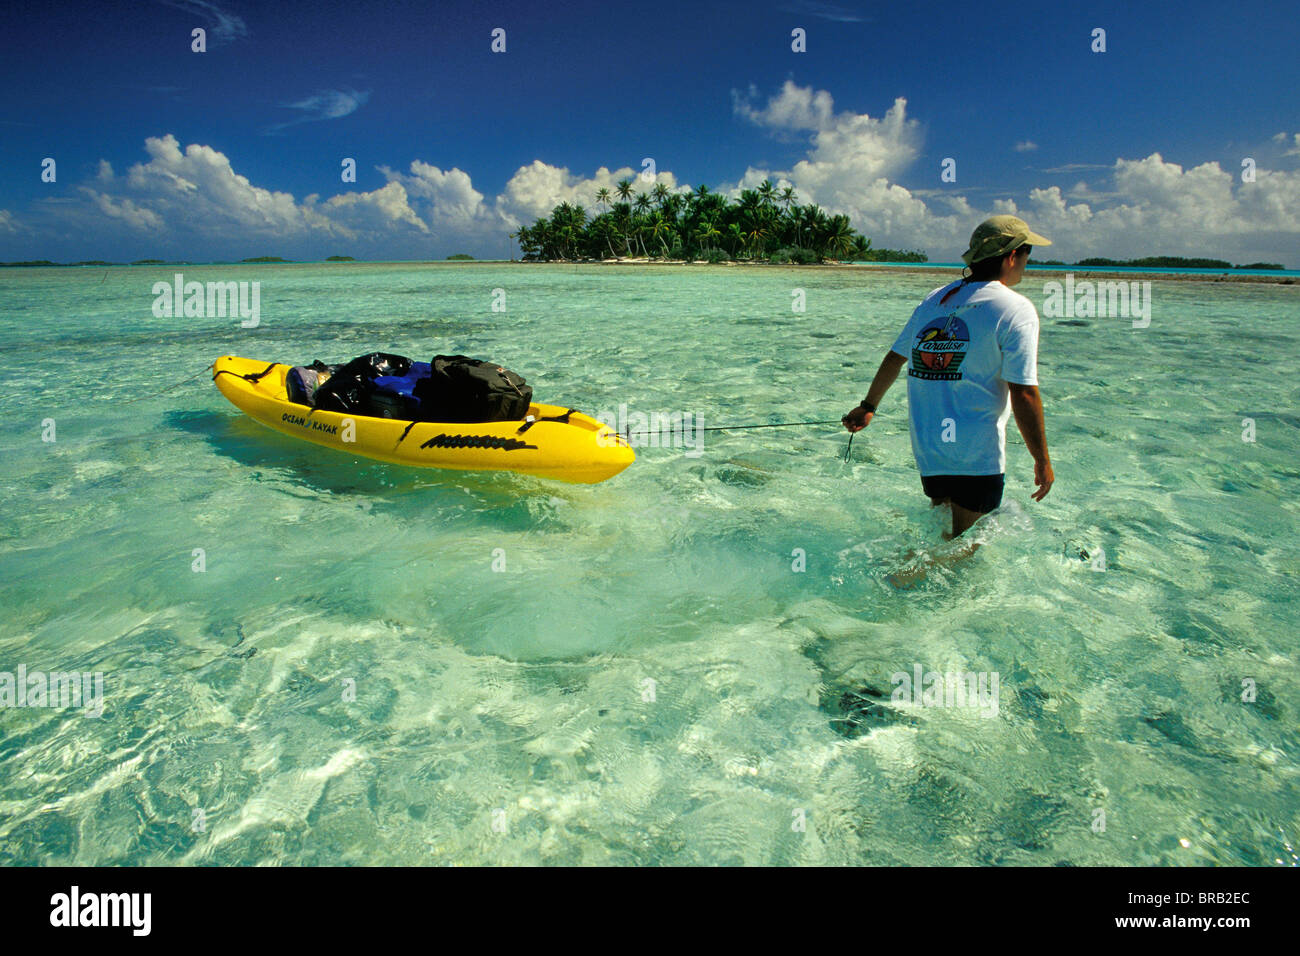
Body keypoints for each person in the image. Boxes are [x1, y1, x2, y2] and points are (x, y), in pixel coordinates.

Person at [843, 215, 1055, 580]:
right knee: (967, 547)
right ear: (1011, 257)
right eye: (1027, 253)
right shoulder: (1016, 309)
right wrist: (1042, 459)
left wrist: (868, 406)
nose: (1027, 262)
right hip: (975, 453)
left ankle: (909, 577)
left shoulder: (935, 300)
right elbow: (1024, 392)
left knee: (944, 531)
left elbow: (896, 357)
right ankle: (900, 580)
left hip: (930, 450)